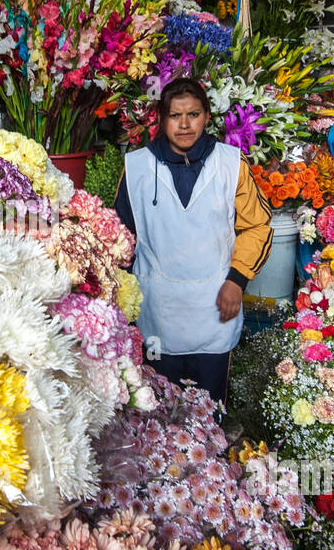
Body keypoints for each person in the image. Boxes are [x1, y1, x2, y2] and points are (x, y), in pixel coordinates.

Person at [114, 78, 273, 404]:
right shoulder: (138, 167)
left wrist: (236, 280)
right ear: (160, 118)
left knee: (209, 414)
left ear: (207, 116)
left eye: (194, 114)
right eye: (175, 116)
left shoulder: (231, 164)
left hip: (215, 306)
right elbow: (120, 237)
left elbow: (257, 226)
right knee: (158, 409)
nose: (185, 124)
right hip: (158, 311)